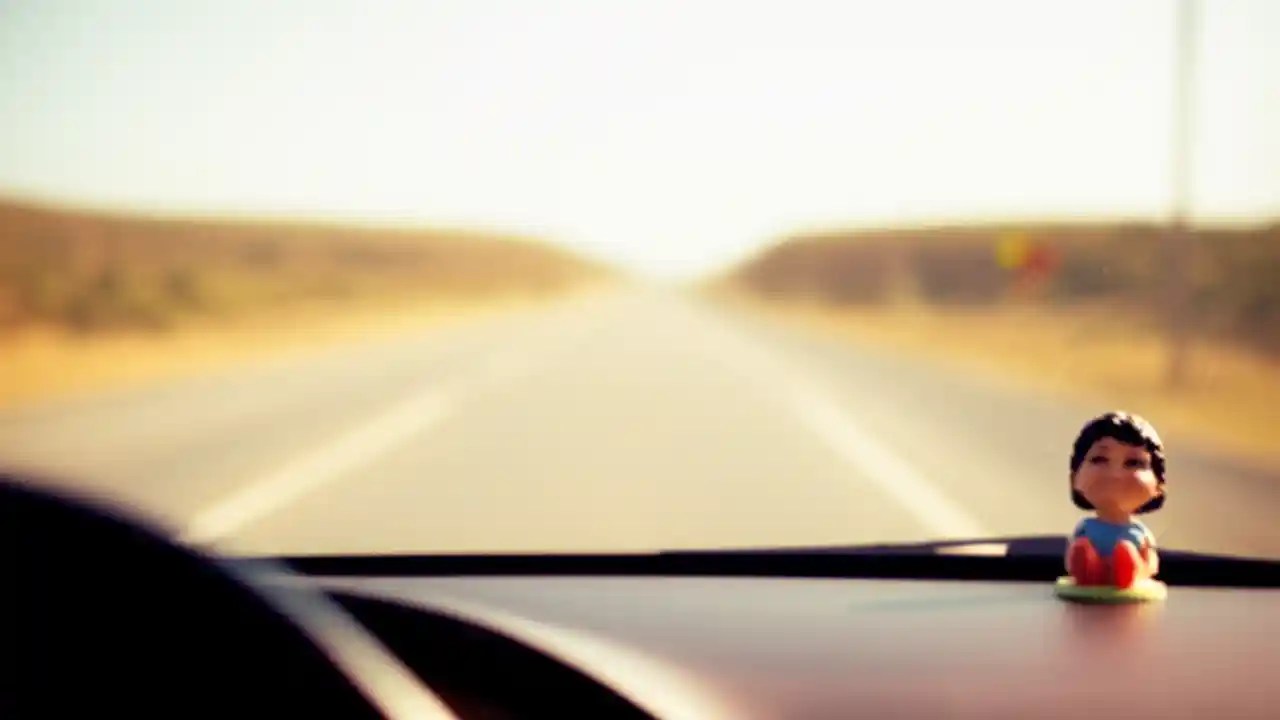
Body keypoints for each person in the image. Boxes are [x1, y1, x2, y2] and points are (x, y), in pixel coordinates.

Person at [1065, 411, 1166, 588]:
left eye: (1133, 463)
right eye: (1099, 459)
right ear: (1075, 478)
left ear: (1159, 485)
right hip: (1090, 571)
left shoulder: (1141, 534)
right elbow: (1070, 559)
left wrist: (1145, 567)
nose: (1115, 474)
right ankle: (1089, 571)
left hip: (1134, 569)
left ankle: (1128, 570)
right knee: (1083, 549)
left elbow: (1151, 560)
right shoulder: (1084, 529)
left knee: (1128, 553)